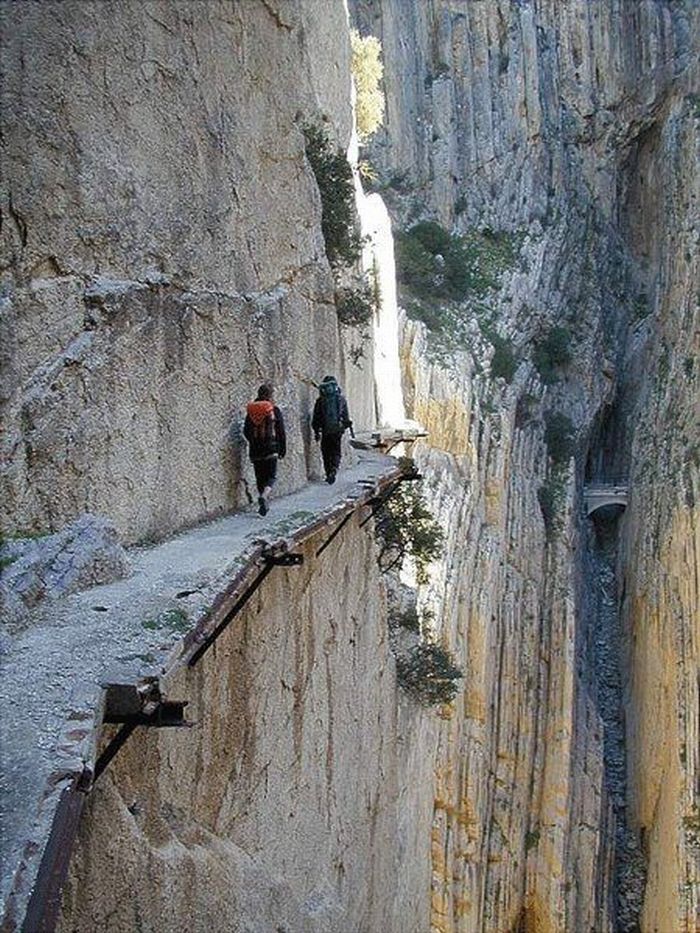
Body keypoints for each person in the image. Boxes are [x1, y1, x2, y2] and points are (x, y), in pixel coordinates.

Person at [243, 384, 286, 515]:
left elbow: (246, 431)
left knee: (260, 478)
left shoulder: (251, 412)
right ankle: (264, 496)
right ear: (270, 395)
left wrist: (253, 442)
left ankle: (263, 505)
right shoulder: (274, 410)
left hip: (256, 450)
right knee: (271, 477)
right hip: (271, 448)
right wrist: (282, 448)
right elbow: (281, 432)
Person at [312, 375, 352, 484]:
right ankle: (334, 469)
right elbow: (346, 417)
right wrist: (344, 426)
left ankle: (328, 471)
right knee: (336, 451)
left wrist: (316, 431)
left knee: (326, 451)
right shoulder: (341, 399)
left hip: (325, 430)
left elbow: (316, 418)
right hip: (337, 431)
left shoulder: (320, 400)